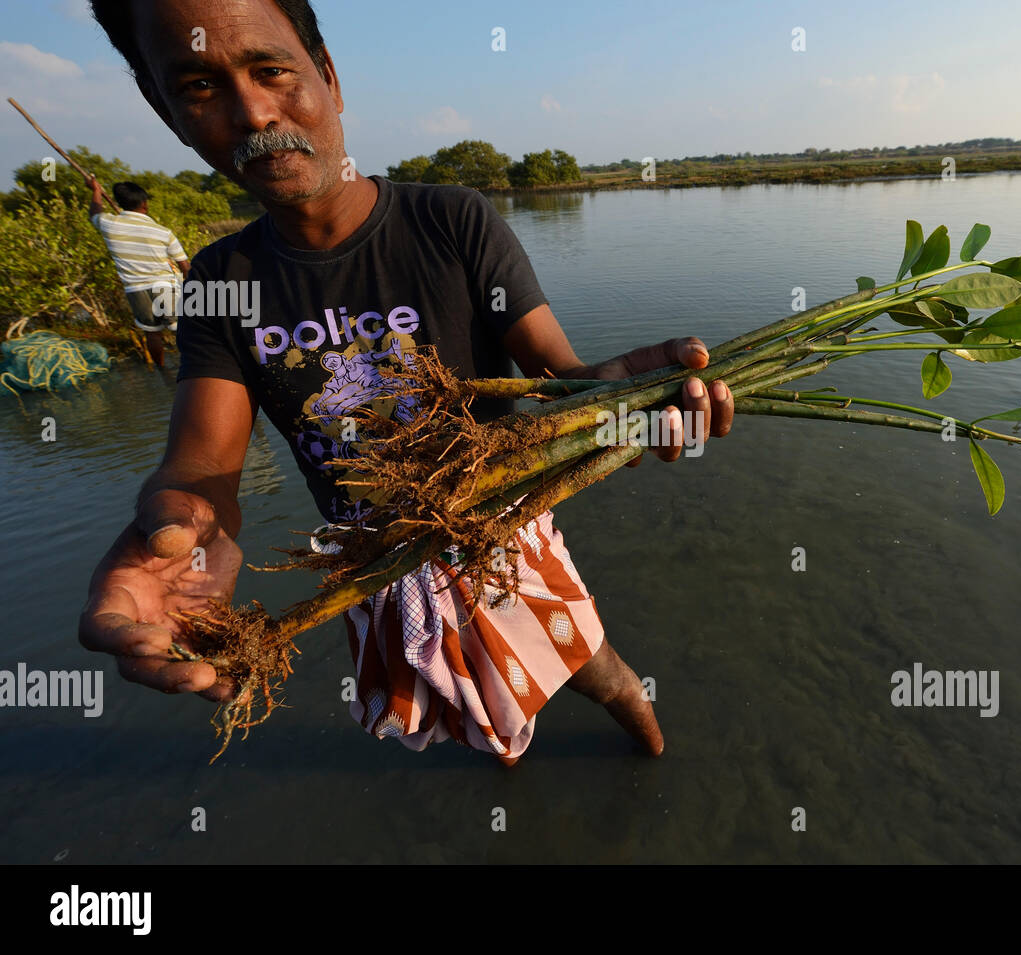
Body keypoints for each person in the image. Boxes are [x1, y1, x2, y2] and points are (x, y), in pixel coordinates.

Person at [78, 0, 734, 764]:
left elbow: (560, 379)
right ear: (168, 115)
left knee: (597, 666)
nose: (253, 112)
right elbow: (205, 465)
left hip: (500, 533)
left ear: (328, 76)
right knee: (476, 710)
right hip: (376, 563)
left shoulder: (451, 222)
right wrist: (180, 527)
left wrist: (616, 392)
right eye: (198, 87)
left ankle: (647, 746)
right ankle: (515, 773)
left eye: (272, 70)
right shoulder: (224, 280)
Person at [87, 177, 191, 369]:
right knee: (183, 330)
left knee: (152, 333)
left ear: (120, 203)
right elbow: (185, 267)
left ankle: (161, 370)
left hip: (135, 290)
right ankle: (193, 368)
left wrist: (95, 190)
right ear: (144, 204)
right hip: (165, 287)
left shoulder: (109, 224)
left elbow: (95, 212)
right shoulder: (162, 232)